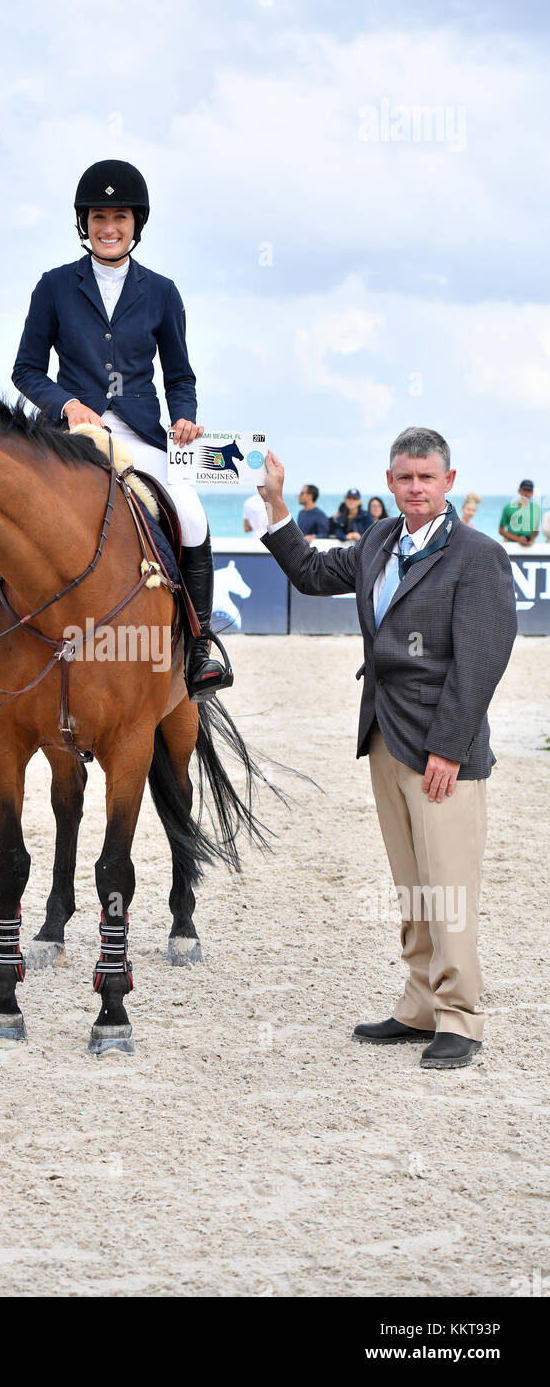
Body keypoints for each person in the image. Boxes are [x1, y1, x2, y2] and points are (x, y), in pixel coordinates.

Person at [259, 426, 517, 1070]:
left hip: (441, 748)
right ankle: (420, 1003)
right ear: (390, 479)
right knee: (414, 885)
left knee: (448, 886)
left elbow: (483, 660)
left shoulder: (478, 556)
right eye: (404, 477)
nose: (415, 488)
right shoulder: (378, 538)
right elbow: (315, 575)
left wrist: (449, 748)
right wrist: (276, 505)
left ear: (449, 482)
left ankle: (460, 1017)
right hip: (383, 736)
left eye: (427, 477)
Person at [0, 159, 231, 702]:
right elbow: (25, 369)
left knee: (190, 512)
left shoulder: (162, 292)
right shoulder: (53, 287)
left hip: (139, 435)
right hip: (65, 437)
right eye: (98, 216)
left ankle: (201, 646)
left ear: (135, 223)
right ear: (84, 222)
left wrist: (184, 414)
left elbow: (179, 374)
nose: (108, 227)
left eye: (119, 216)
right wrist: (67, 403)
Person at [499, 479, 541, 547]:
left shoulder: (536, 509)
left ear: (532, 492)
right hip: (511, 545)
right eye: (524, 490)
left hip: (529, 546)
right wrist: (518, 539)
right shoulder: (508, 508)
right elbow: (501, 530)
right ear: (519, 491)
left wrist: (528, 539)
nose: (526, 493)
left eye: (529, 491)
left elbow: (536, 530)